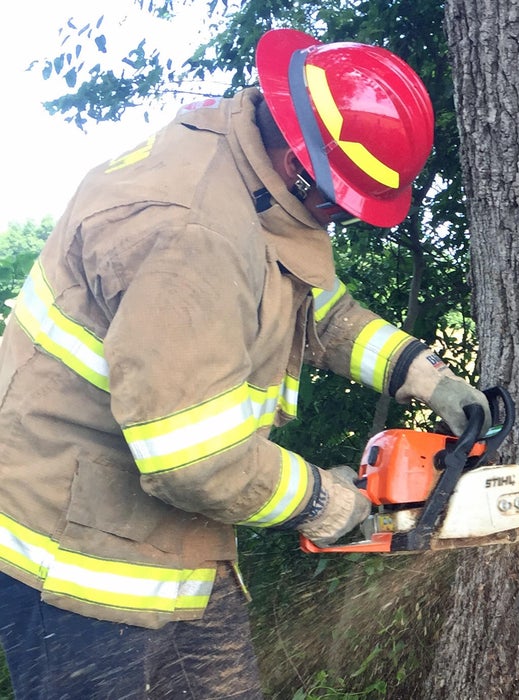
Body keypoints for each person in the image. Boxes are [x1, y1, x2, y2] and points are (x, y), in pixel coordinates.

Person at [0, 28, 486, 698]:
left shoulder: (252, 174)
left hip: (181, 533)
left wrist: (424, 375)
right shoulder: (190, 237)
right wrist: (320, 501)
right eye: (333, 204)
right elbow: (192, 459)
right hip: (77, 554)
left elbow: (317, 306)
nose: (333, 222)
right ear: (297, 159)